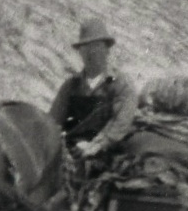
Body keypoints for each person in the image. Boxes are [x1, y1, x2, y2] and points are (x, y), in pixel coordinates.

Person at [49, 19, 139, 160]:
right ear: (80, 52)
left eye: (96, 46)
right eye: (85, 47)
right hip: (72, 154)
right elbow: (53, 122)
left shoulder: (121, 84)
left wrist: (95, 146)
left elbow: (121, 123)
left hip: (107, 155)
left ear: (107, 50)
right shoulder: (71, 86)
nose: (91, 53)